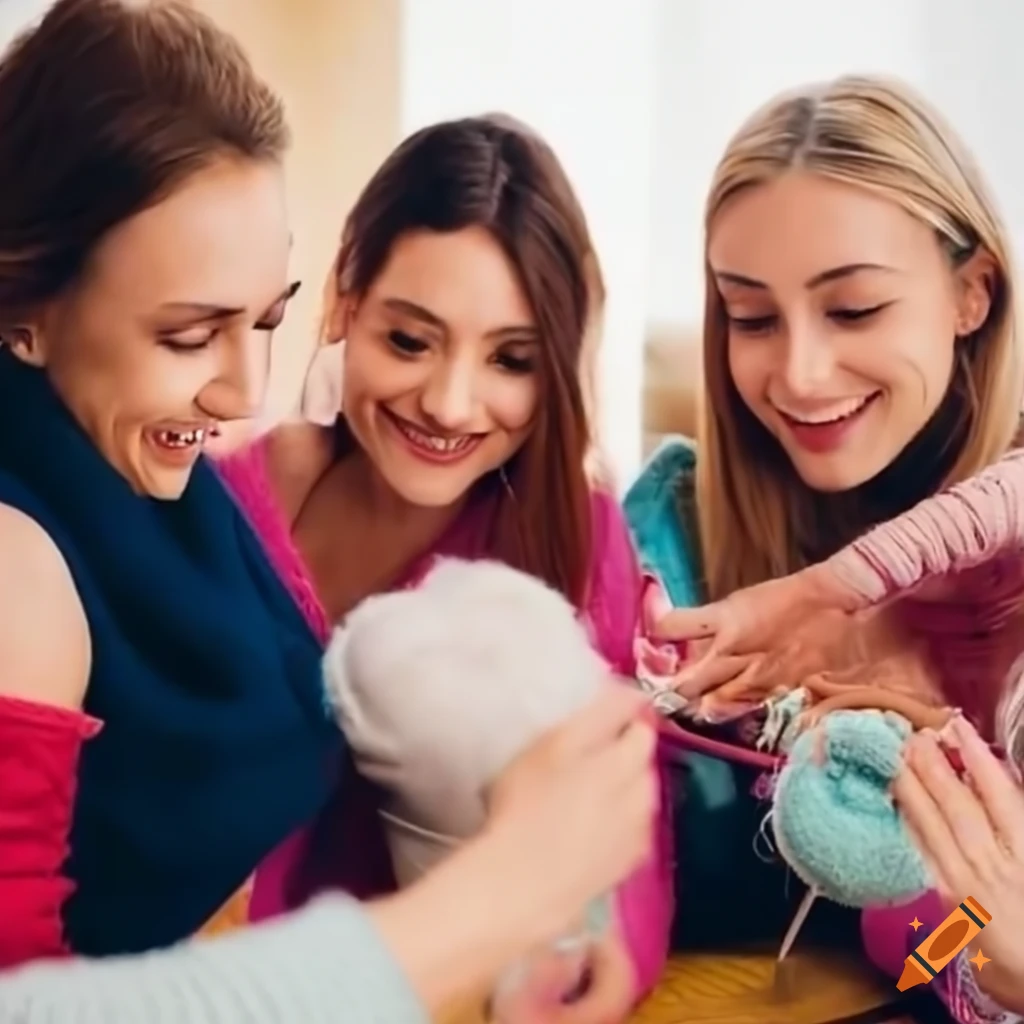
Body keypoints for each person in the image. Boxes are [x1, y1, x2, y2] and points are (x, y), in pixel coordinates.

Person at [0, 3, 658, 1016]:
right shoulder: (43, 556)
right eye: (190, 335)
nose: (239, 389)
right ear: (24, 309)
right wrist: (488, 907)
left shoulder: (168, 499)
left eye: (263, 320)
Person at [216, 113, 675, 1013]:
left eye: (511, 360)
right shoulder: (226, 498)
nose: (452, 402)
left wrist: (609, 960)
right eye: (410, 341)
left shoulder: (572, 539)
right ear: (346, 298)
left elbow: (621, 807)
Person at [624, 75, 1024, 1021]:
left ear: (972, 295)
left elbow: (933, 965)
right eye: (752, 318)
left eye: (853, 311)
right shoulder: (677, 526)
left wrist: (997, 977)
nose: (799, 375)